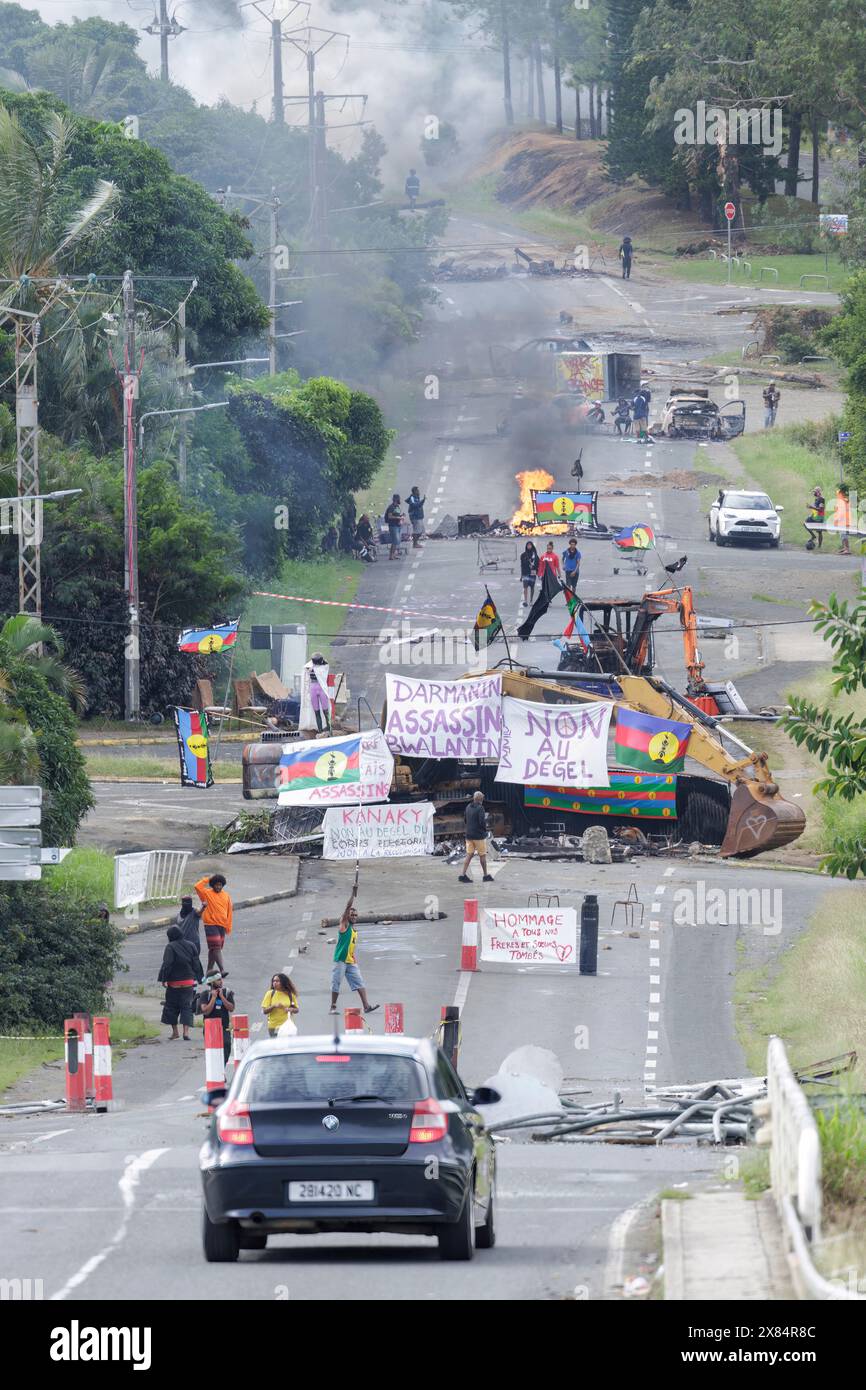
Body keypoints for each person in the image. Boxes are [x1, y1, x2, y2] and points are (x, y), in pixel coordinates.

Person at [329, 887, 379, 1016]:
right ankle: (333, 1007)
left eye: (356, 915)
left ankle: (366, 1006)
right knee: (336, 983)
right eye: (352, 915)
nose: (354, 916)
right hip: (340, 960)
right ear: (347, 916)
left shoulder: (354, 930)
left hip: (350, 961)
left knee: (360, 982)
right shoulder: (344, 925)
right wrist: (353, 893)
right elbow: (348, 906)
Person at [158, 926, 203, 1041]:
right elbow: (196, 962)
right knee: (186, 1007)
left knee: (171, 1007)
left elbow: (167, 964)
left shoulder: (170, 947)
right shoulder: (191, 945)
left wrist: (163, 979)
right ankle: (186, 1033)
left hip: (174, 983)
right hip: (188, 982)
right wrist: (199, 978)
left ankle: (175, 1032)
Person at [194, 873, 232, 976]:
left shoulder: (226, 895)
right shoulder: (206, 894)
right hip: (210, 924)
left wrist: (228, 925)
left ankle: (208, 971)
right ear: (212, 885)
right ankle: (222, 970)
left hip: (222, 925)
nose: (218, 887)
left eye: (220, 885)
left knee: (213, 949)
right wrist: (208, 878)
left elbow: (229, 911)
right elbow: (197, 886)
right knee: (216, 947)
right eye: (216, 884)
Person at [200, 970, 235, 1064]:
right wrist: (213, 998)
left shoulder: (227, 992)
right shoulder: (205, 994)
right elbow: (206, 1011)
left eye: (221, 979)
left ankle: (221, 1069)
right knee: (213, 1052)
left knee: (226, 1046)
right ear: (212, 982)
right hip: (210, 1028)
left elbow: (231, 1008)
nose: (221, 981)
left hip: (224, 1027)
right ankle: (217, 1073)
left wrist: (222, 997)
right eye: (218, 980)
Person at [459, 790, 494, 883]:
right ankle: (485, 875)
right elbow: (481, 822)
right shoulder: (480, 808)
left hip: (469, 835)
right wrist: (485, 830)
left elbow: (465, 820)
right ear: (481, 799)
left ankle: (462, 875)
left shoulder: (468, 807)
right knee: (482, 855)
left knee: (469, 855)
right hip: (478, 836)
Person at [261, 973, 299, 1038]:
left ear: (283, 982)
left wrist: (290, 1009)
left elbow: (296, 1009)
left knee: (287, 1046)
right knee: (276, 1046)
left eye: (277, 981)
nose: (275, 983)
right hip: (274, 1026)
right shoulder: (270, 993)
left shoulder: (290, 995)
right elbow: (264, 1011)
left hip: (287, 1026)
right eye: (273, 981)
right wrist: (274, 1006)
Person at [306, 653, 332, 734]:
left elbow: (326, 664)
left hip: (320, 688)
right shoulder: (309, 667)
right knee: (316, 711)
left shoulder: (323, 667)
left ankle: (329, 728)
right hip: (314, 688)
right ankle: (320, 730)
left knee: (325, 710)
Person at [175, 895, 202, 968]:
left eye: (188, 903)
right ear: (182, 904)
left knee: (194, 961)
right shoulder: (178, 915)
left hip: (194, 942)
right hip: (182, 943)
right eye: (184, 903)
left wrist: (204, 907)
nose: (186, 905)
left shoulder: (194, 912)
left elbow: (200, 912)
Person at [384, 493, 404, 560]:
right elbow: (390, 516)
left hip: (397, 525)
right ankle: (391, 555)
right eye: (399, 499)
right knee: (395, 540)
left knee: (396, 541)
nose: (399, 500)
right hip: (393, 526)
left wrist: (401, 516)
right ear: (396, 499)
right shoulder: (391, 507)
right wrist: (397, 518)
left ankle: (393, 554)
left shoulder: (397, 507)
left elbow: (398, 514)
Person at [520, 541, 539, 607]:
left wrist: (536, 570)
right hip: (525, 572)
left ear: (532, 546)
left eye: (530, 545)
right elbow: (522, 565)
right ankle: (525, 601)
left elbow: (538, 564)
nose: (529, 546)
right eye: (528, 545)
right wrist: (521, 575)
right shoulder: (523, 555)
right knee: (525, 587)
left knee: (532, 587)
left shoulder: (535, 555)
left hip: (533, 573)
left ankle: (531, 600)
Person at [836, 484, 851, 555]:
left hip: (844, 521)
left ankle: (847, 549)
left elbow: (842, 511)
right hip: (844, 520)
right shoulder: (844, 500)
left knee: (844, 535)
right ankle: (845, 548)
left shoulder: (843, 500)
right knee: (842, 535)